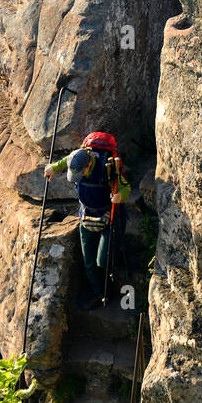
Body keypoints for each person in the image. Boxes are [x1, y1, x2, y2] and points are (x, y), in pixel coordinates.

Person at [45, 131, 132, 309]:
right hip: (86, 216)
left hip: (108, 217)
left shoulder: (107, 169)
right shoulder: (77, 158)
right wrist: (53, 167)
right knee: (89, 262)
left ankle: (110, 287)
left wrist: (119, 197)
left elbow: (126, 187)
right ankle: (99, 294)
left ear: (88, 165)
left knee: (102, 261)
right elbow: (65, 161)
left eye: (79, 174)